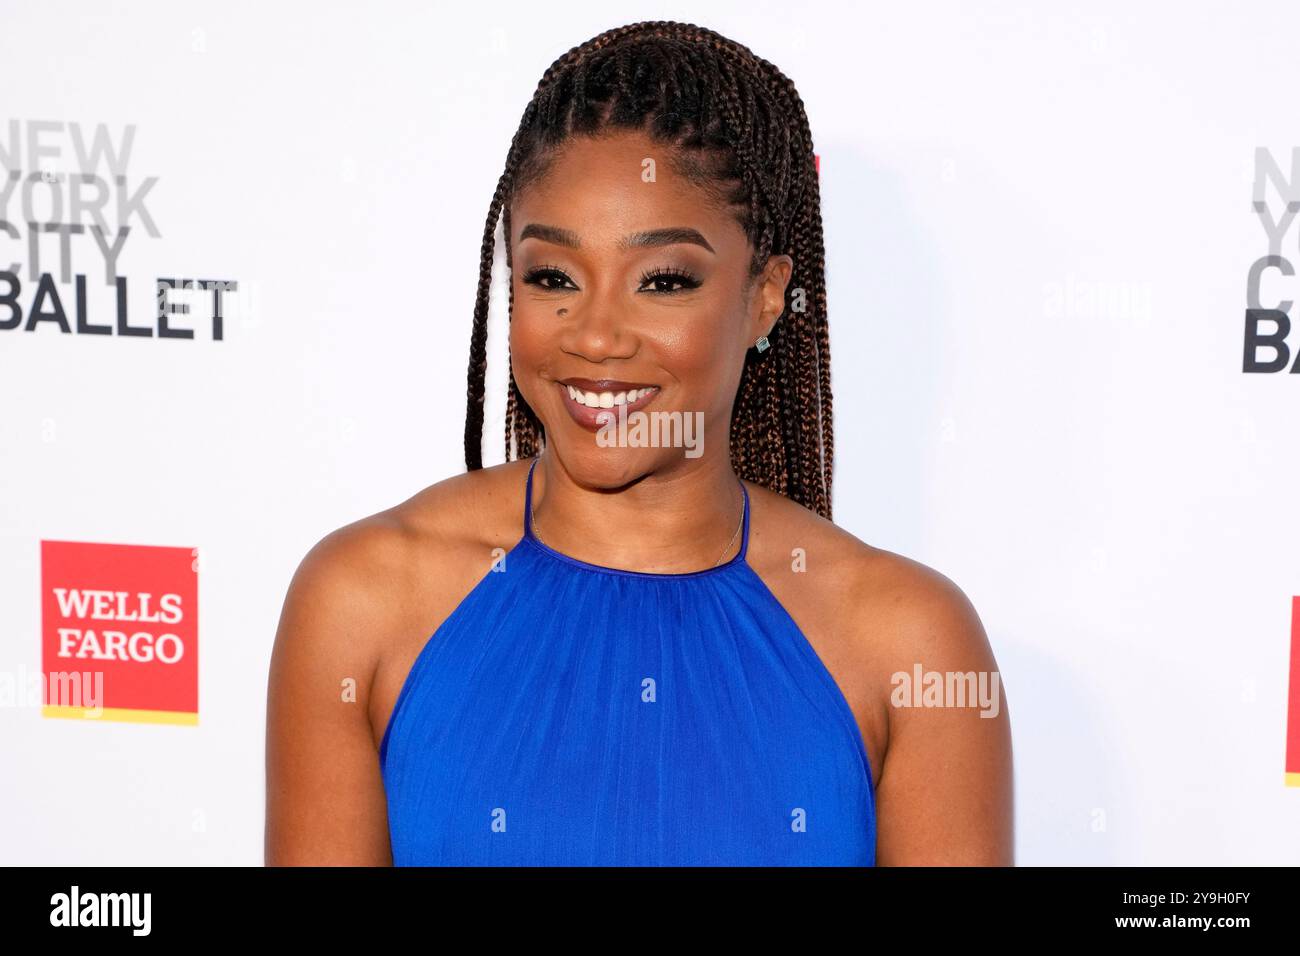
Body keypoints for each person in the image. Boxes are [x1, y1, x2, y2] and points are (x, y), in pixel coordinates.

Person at [265, 20, 1013, 866]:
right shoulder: (362, 601)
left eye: (663, 281)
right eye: (552, 277)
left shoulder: (912, 647)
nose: (595, 336)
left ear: (766, 297)